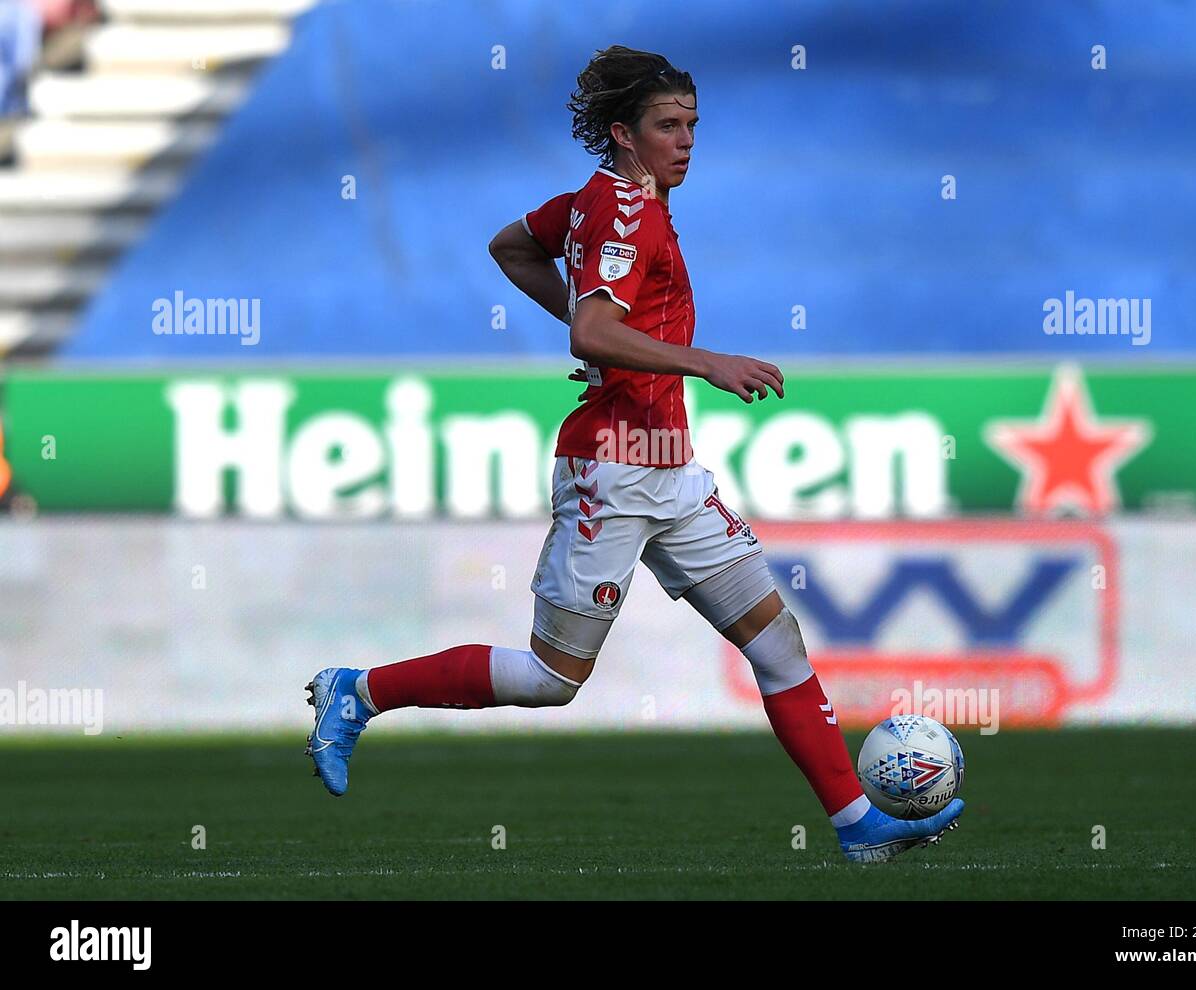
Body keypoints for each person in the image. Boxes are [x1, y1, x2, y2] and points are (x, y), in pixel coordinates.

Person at [305, 45, 962, 863]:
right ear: (622, 132)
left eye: (691, 125)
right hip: (611, 473)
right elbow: (589, 327)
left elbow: (512, 248)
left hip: (672, 471)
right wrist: (698, 359)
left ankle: (857, 826)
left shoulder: (603, 201)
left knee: (776, 639)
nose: (685, 141)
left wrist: (611, 335)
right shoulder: (624, 213)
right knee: (553, 678)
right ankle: (358, 691)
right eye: (666, 126)